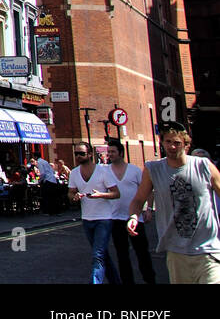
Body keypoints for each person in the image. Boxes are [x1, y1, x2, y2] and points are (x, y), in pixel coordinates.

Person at [127, 121, 220, 284]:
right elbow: (138, 199)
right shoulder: (153, 169)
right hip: (176, 252)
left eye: (177, 143)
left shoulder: (204, 166)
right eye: (168, 142)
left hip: (208, 251)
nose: (172, 147)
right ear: (162, 143)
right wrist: (133, 217)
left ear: (186, 145)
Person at [68, 140, 121, 284]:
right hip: (87, 219)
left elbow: (116, 193)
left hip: (103, 219)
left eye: (81, 153)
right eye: (76, 154)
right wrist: (75, 197)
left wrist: (101, 195)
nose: (78, 156)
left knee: (97, 255)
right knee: (102, 255)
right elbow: (70, 193)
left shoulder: (103, 171)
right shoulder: (74, 173)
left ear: (90, 154)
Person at [105, 139, 155, 284]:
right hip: (115, 219)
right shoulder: (105, 171)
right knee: (122, 256)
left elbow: (149, 190)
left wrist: (148, 209)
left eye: (113, 151)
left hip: (135, 218)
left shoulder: (134, 170)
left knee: (143, 254)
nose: (110, 154)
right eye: (108, 152)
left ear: (121, 153)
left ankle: (150, 281)